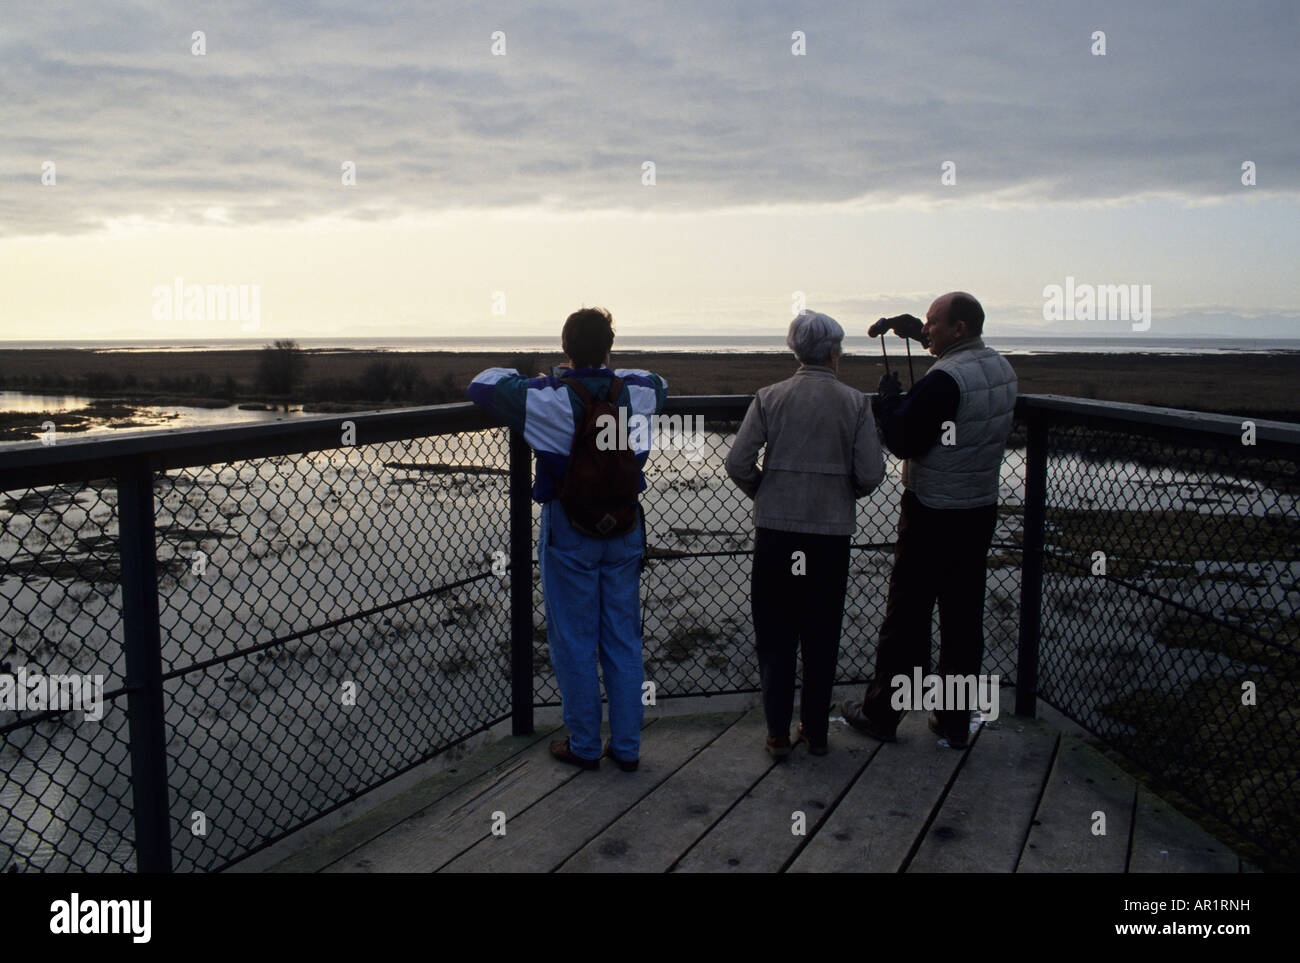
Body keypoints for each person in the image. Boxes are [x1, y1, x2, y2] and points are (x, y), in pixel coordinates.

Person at [467, 308, 668, 771]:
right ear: (610, 348)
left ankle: (582, 744)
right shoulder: (635, 392)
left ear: (565, 349)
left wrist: (546, 377)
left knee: (574, 639)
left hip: (569, 529)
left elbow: (481, 385)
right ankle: (627, 746)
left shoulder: (550, 398)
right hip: (624, 528)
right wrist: (608, 372)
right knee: (622, 638)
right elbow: (658, 380)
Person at [842, 291, 1017, 748]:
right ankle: (954, 719)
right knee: (963, 617)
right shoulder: (1000, 368)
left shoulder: (945, 380)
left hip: (932, 510)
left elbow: (904, 439)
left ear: (958, 328)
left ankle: (882, 712)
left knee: (907, 616)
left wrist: (887, 401)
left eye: (932, 323)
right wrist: (915, 331)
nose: (926, 330)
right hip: (978, 506)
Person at [725, 311, 886, 757]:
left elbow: (738, 462)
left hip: (776, 531)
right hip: (830, 534)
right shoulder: (855, 403)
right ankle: (815, 729)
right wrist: (844, 492)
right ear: (835, 353)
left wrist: (766, 492)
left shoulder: (769, 397)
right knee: (822, 633)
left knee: (775, 634)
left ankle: (776, 732)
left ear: (795, 350)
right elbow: (872, 473)